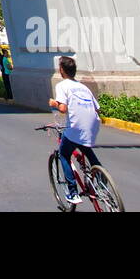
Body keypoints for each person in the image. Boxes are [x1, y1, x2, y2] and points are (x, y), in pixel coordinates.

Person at [49, 55, 102, 205]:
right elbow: (97, 109)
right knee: (85, 147)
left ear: (62, 70)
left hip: (76, 127)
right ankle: (100, 175)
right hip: (93, 125)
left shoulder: (62, 85)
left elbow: (63, 109)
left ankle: (72, 192)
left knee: (64, 154)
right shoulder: (83, 87)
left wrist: (54, 103)